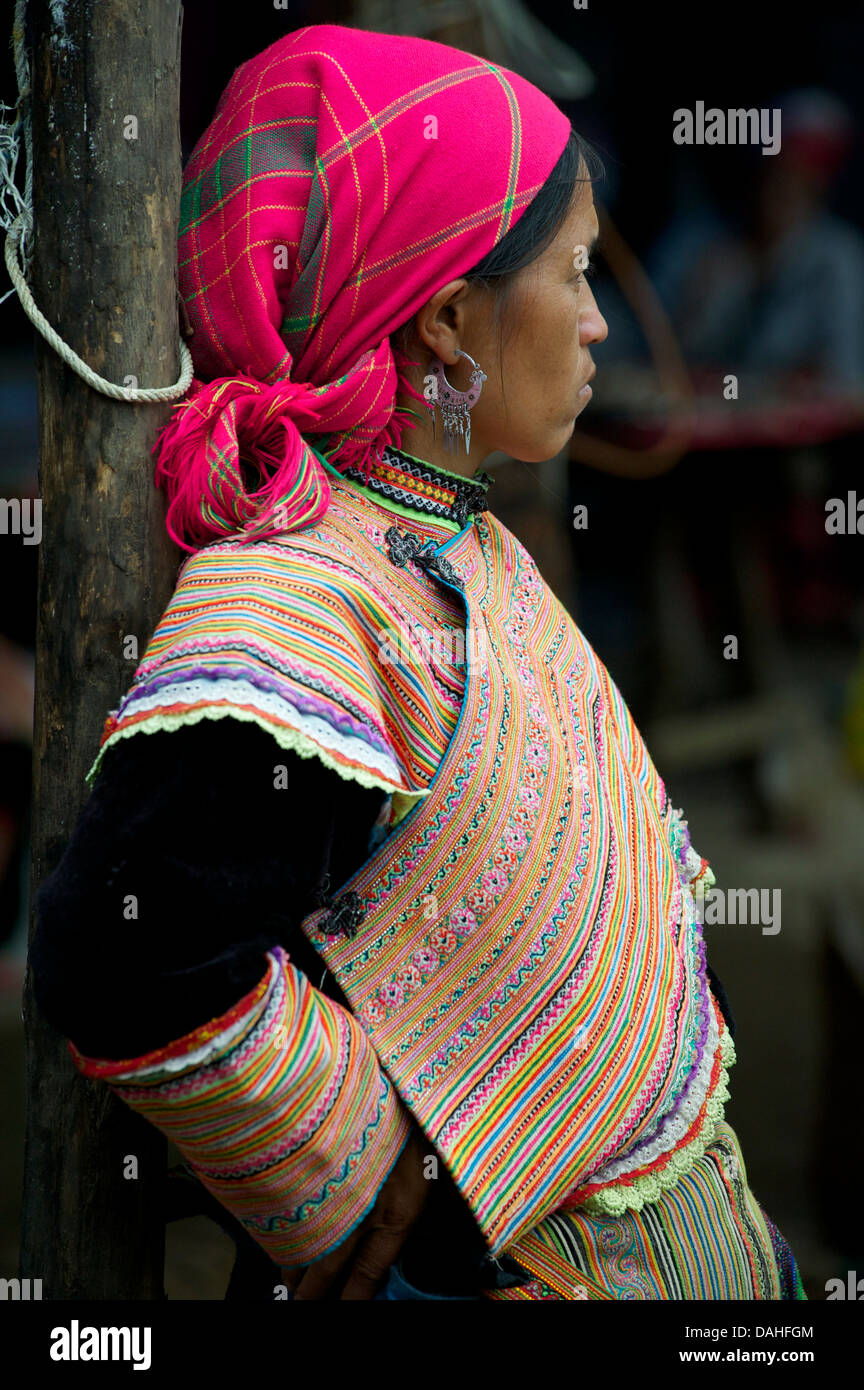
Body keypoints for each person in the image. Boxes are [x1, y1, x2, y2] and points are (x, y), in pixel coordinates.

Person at [31, 23, 806, 1302]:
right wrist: (398, 1207)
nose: (604, 325)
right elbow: (126, 957)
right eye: (574, 276)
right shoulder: (300, 597)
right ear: (450, 321)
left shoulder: (449, 536)